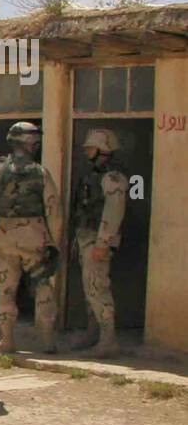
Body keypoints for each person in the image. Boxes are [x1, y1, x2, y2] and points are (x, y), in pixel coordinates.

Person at [0, 122, 63, 354]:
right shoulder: (41, 173)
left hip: (4, 237)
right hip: (34, 237)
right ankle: (48, 341)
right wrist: (54, 242)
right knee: (43, 286)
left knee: (5, 288)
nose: (36, 146)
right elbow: (53, 211)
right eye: (34, 142)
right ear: (27, 144)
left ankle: (7, 340)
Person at [70, 128, 129, 357]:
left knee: (97, 286)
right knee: (89, 287)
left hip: (98, 239)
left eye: (91, 147)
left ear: (103, 149)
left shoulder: (113, 177)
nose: (87, 151)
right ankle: (92, 332)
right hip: (86, 237)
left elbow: (113, 213)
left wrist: (103, 243)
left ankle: (108, 338)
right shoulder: (94, 174)